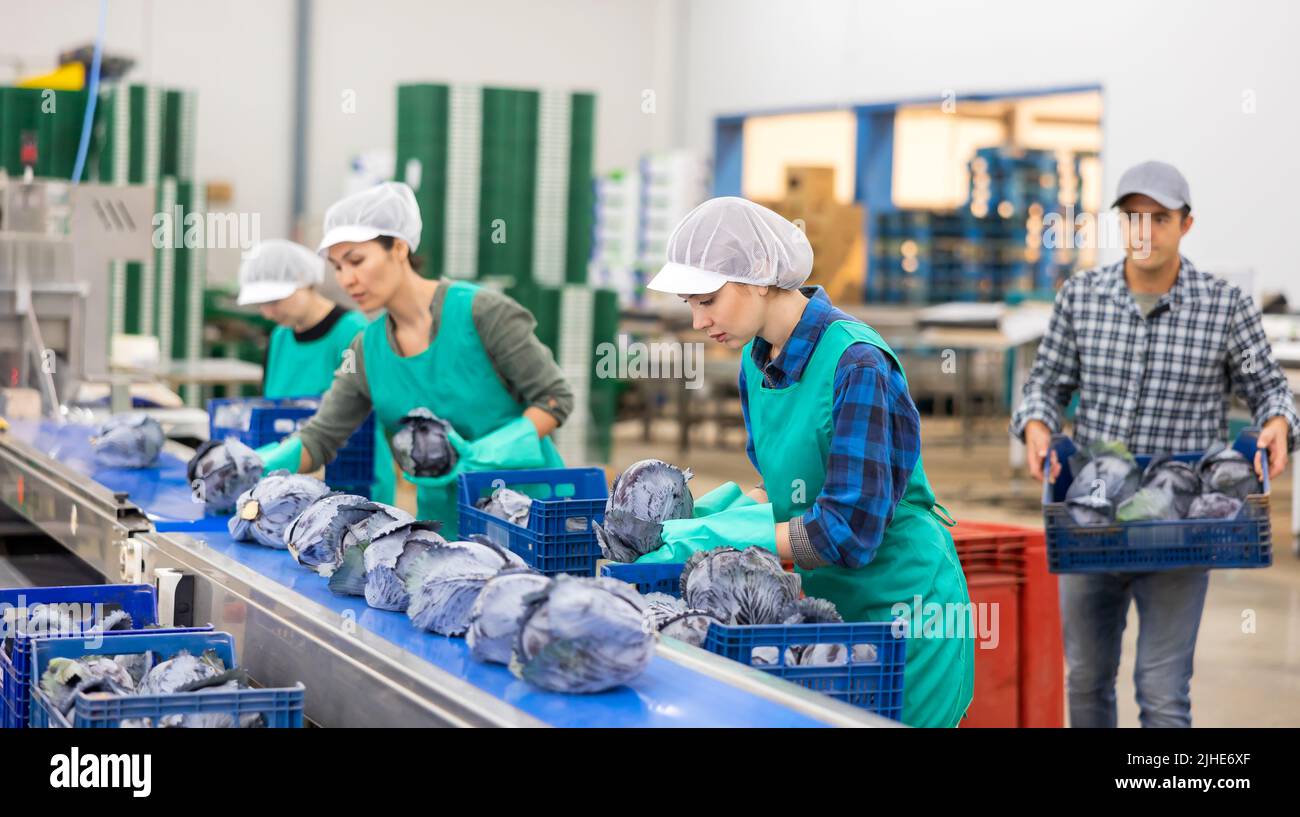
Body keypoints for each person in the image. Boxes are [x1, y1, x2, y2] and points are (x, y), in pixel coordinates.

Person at [639, 197, 974, 728]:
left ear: (757, 278)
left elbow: (846, 531)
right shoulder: (757, 362)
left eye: (707, 299)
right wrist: (705, 516)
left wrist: (724, 538)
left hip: (902, 610)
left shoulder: (857, 363)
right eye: (689, 303)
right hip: (823, 613)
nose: (699, 321)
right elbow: (784, 490)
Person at [1010, 160, 1299, 728]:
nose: (1144, 230)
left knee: (1163, 691)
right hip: (1092, 525)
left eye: (1159, 218)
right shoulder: (1082, 297)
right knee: (1087, 679)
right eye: (1133, 217)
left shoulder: (1224, 306)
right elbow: (1045, 383)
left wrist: (1279, 425)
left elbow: (1270, 389)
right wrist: (1038, 424)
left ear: (1186, 225)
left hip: (1181, 529)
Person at [258, 182, 573, 534]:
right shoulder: (367, 349)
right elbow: (321, 437)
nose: (347, 279)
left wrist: (480, 455)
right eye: (337, 267)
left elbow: (554, 399)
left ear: (399, 247)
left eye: (357, 261)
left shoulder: (481, 312)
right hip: (447, 527)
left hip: (531, 515)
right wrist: (256, 464)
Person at [237, 240, 395, 501]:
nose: (268, 312)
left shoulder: (353, 331)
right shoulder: (280, 337)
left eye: (275, 300)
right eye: (261, 304)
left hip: (353, 481)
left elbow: (358, 418)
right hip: (290, 482)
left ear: (305, 281)